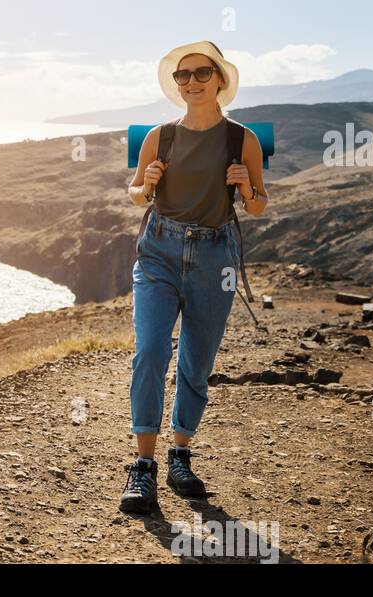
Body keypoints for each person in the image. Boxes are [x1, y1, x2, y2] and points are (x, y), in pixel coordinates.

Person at [121, 40, 268, 513]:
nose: (191, 83)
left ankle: (180, 454)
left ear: (220, 80)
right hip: (159, 251)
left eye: (202, 73)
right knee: (150, 349)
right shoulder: (158, 136)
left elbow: (260, 202)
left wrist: (245, 185)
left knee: (197, 359)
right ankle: (142, 466)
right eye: (183, 76)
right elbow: (135, 193)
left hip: (214, 256)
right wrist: (147, 184)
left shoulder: (241, 138)